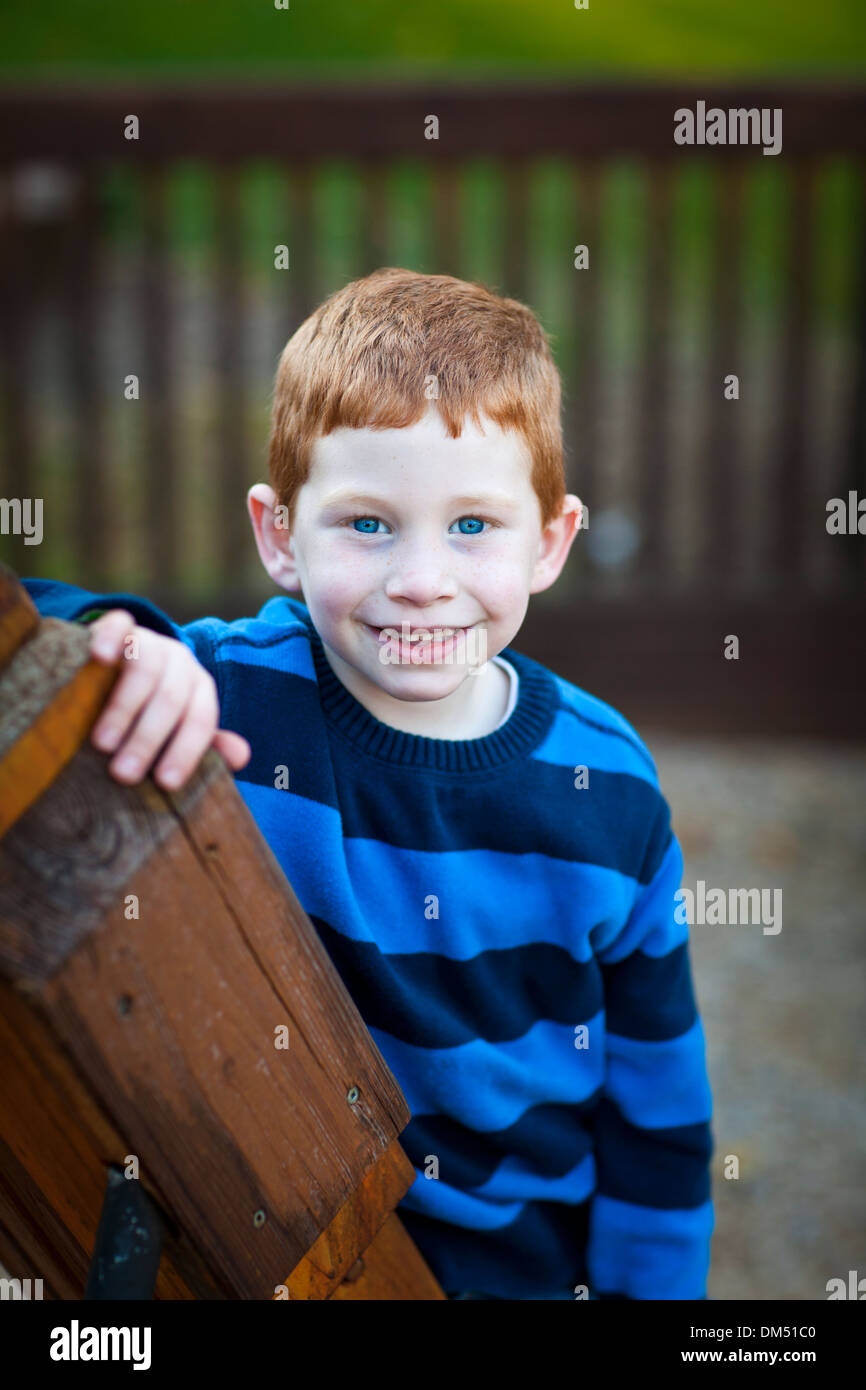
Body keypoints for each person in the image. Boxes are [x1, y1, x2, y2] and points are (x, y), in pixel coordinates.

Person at [25, 267, 714, 1300]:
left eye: (472, 525)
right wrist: (122, 636)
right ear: (277, 536)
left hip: (518, 1266)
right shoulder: (232, 692)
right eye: (367, 523)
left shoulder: (604, 787)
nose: (420, 577)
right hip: (260, 1239)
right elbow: (20, 621)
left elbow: (657, 1115)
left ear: (551, 542)